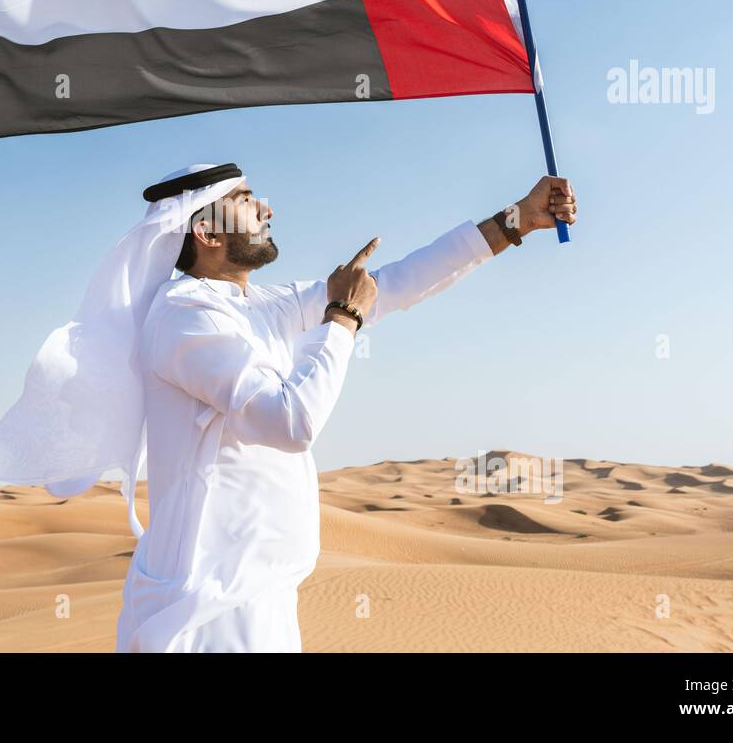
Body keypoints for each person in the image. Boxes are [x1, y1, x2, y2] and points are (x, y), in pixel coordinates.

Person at [113, 164, 576, 652]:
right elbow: (291, 422)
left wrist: (516, 221)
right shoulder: (185, 315)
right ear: (205, 231)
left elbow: (394, 284)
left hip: (258, 593)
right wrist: (342, 319)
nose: (267, 209)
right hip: (202, 608)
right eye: (247, 201)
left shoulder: (259, 306)